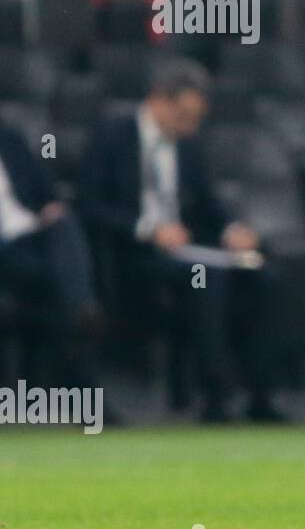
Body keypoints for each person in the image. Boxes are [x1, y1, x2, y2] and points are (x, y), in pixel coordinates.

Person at [77, 59, 281, 423]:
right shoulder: (112, 133)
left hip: (188, 252)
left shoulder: (188, 146)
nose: (190, 126)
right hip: (132, 255)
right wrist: (147, 229)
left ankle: (261, 397)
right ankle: (216, 398)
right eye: (184, 116)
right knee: (207, 276)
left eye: (196, 118)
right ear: (158, 100)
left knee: (262, 275)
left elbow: (207, 204)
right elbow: (89, 204)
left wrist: (230, 231)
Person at [0, 121, 104, 382]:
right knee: (62, 283)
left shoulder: (9, 137)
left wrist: (49, 205)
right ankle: (81, 308)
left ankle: (81, 308)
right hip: (6, 249)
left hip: (32, 233)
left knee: (64, 222)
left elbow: (44, 187)